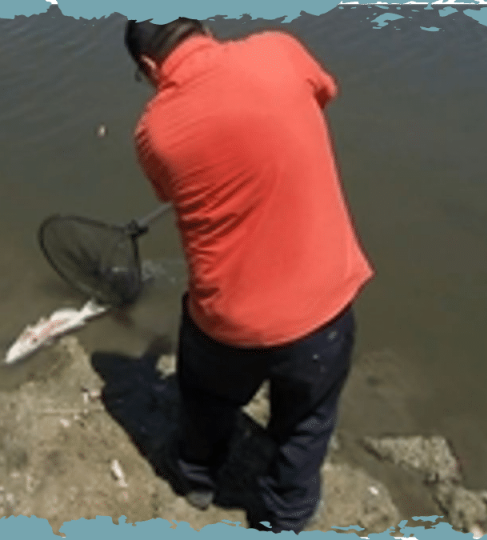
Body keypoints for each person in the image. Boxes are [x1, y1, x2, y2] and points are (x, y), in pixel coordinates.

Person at [124, 18, 374, 533]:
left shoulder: (155, 131)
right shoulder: (279, 50)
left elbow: (170, 190)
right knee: (306, 423)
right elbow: (323, 92)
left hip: (228, 322)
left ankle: (196, 476)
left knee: (207, 398)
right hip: (321, 313)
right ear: (205, 24)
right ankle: (283, 517)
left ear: (149, 66)